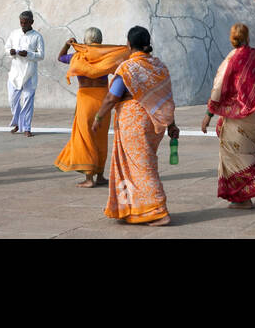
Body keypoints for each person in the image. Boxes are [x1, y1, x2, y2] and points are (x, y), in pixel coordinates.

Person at [96, 26, 179, 225]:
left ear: (129, 44)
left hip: (134, 123)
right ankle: (135, 210)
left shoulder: (128, 68)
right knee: (139, 165)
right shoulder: (159, 66)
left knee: (142, 168)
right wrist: (171, 124)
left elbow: (111, 97)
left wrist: (98, 118)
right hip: (153, 123)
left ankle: (159, 211)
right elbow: (165, 97)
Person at [201, 23, 255, 208]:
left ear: (231, 39)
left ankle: (246, 196)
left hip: (242, 116)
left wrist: (208, 115)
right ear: (248, 37)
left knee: (233, 155)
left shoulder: (231, 60)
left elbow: (218, 89)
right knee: (249, 151)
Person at [54, 28, 130, 187]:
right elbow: (126, 56)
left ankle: (89, 179)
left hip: (85, 101)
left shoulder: (78, 56)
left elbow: (60, 57)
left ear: (85, 40)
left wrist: (67, 45)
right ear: (101, 41)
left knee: (86, 137)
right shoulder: (106, 56)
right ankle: (101, 176)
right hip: (103, 100)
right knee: (101, 138)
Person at [6, 10, 44, 137]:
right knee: (13, 100)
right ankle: (17, 123)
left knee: (28, 100)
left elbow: (41, 55)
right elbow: (6, 48)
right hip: (15, 73)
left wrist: (28, 54)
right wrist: (10, 52)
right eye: (21, 22)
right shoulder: (14, 34)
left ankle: (26, 127)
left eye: (26, 22)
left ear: (32, 22)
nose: (23, 25)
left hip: (29, 74)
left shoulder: (37, 36)